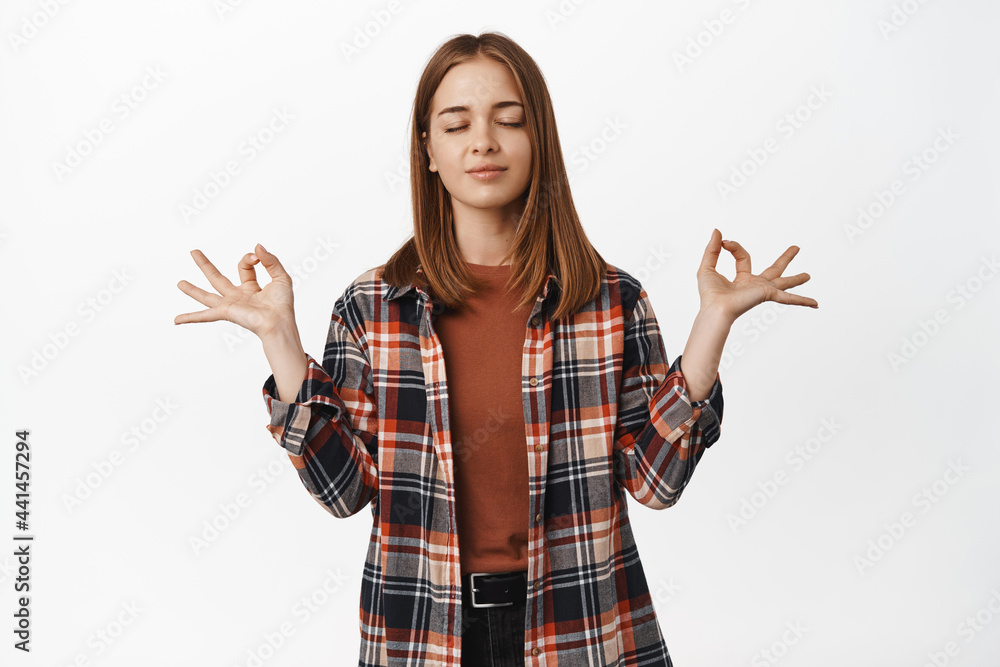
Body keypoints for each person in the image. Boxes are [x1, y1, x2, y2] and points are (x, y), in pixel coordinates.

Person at [174, 31, 817, 667]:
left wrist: (713, 325)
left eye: (509, 120)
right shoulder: (374, 306)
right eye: (456, 125)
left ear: (540, 140)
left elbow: (655, 483)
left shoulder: (609, 300)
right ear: (428, 150)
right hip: (424, 634)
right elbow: (345, 491)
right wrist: (279, 340)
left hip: (581, 630)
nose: (483, 140)